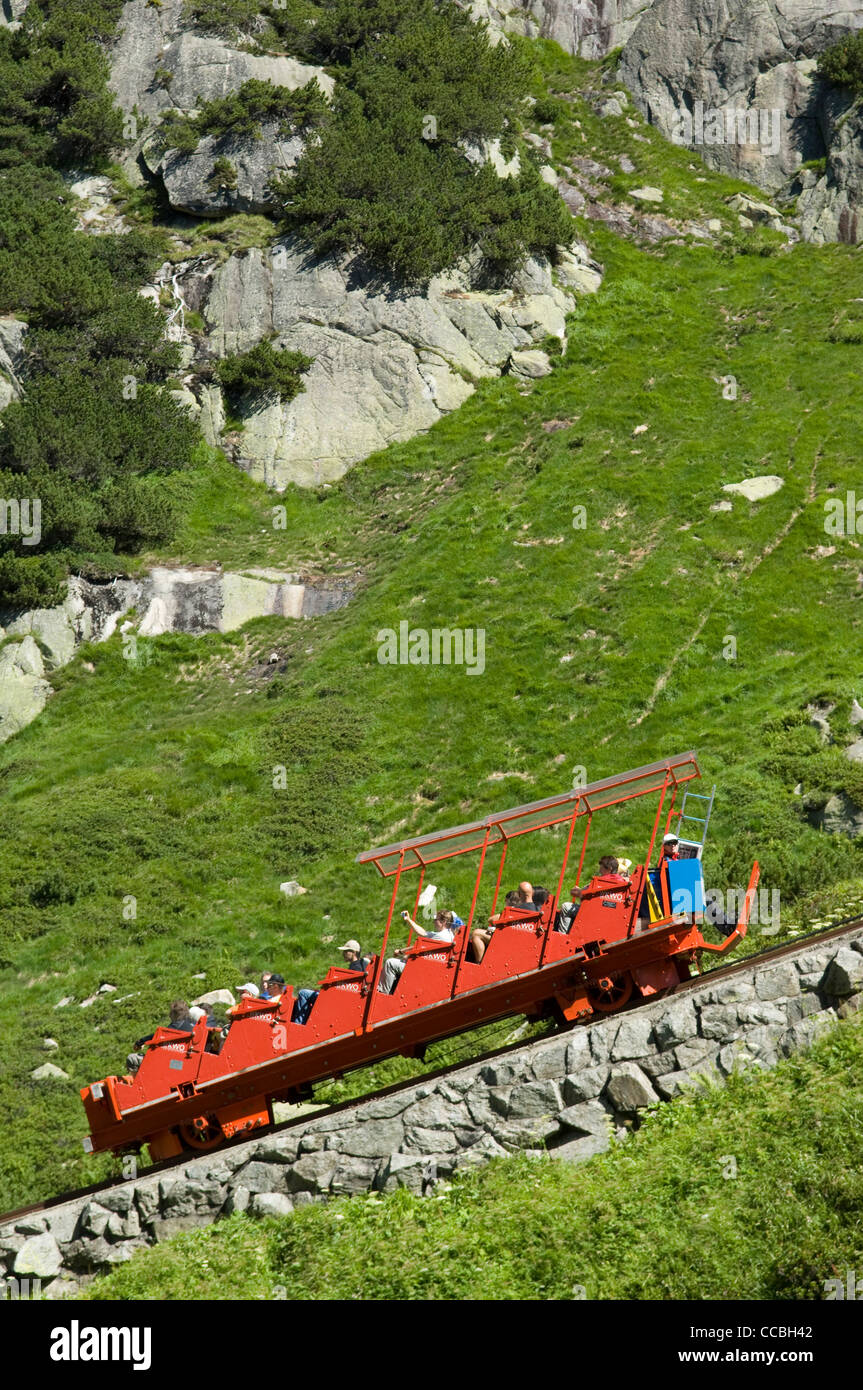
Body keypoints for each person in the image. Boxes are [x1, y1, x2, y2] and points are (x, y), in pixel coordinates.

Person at [377, 910, 456, 994]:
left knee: (390, 963)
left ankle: (382, 992)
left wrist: (400, 951)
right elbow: (423, 933)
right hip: (430, 968)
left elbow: (418, 946)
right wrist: (408, 920)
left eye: (436, 919)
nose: (433, 922)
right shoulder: (448, 935)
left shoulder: (441, 936)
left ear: (443, 921)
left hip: (422, 969)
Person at [555, 856, 630, 933]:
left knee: (565, 907)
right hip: (610, 917)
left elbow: (580, 894)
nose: (600, 870)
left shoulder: (601, 881)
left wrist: (577, 891)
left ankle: (562, 935)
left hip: (593, 914)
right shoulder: (623, 883)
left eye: (601, 868)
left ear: (609, 868)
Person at [126, 999, 194, 1073]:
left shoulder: (177, 1026)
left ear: (174, 1014)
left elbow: (161, 1035)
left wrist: (141, 1042)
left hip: (173, 1065)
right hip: (185, 1064)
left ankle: (138, 1084)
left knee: (132, 1059)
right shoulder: (193, 1025)